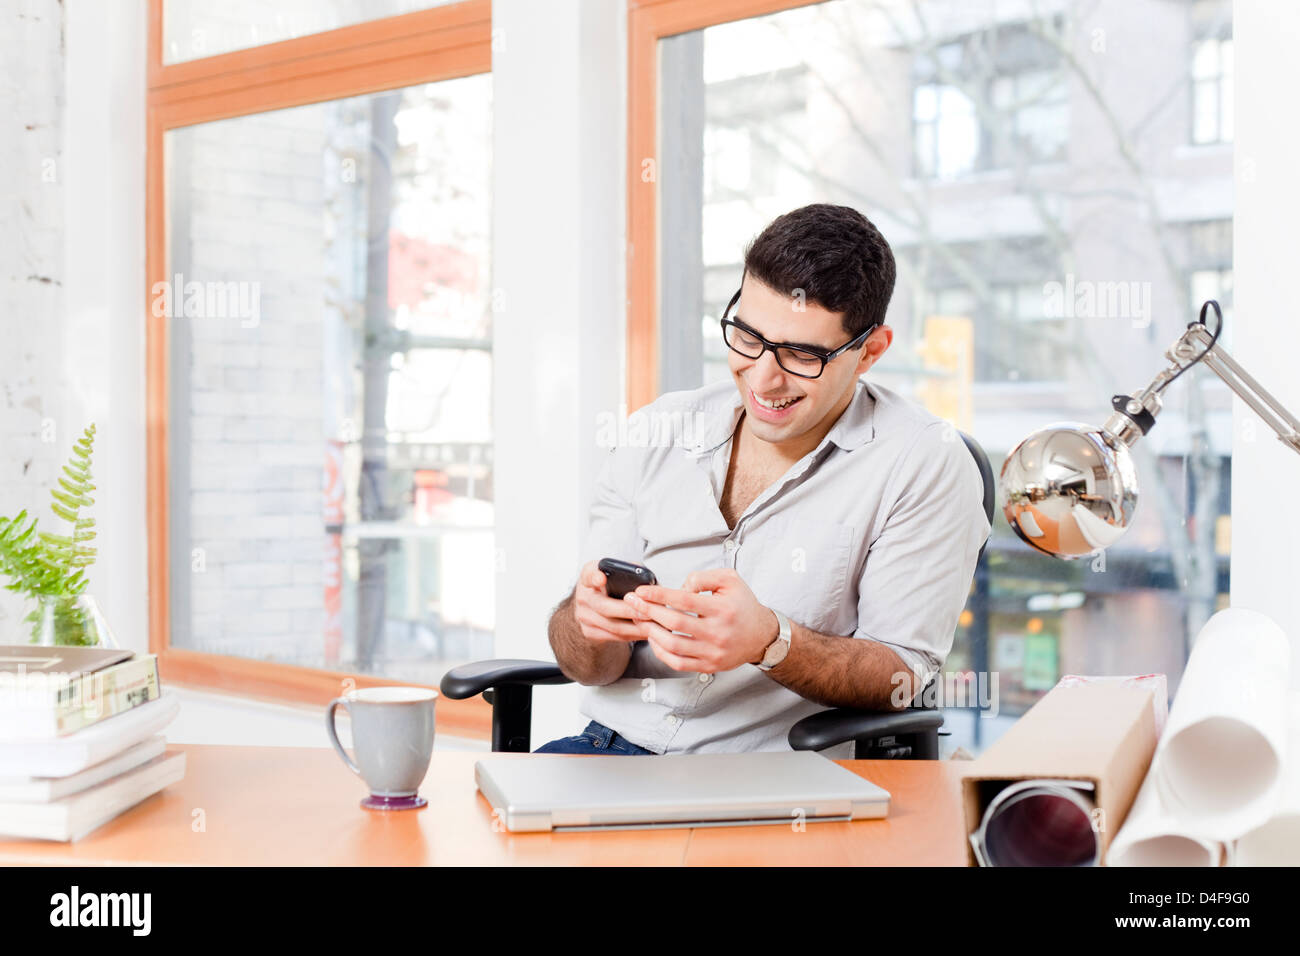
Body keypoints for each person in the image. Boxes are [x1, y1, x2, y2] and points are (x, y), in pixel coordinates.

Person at [536, 203, 990, 756]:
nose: (763, 378)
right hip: (607, 750)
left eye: (802, 354)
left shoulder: (924, 463)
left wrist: (771, 641)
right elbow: (589, 667)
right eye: (747, 336)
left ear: (870, 350)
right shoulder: (657, 430)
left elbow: (903, 675)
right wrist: (588, 625)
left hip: (769, 785)